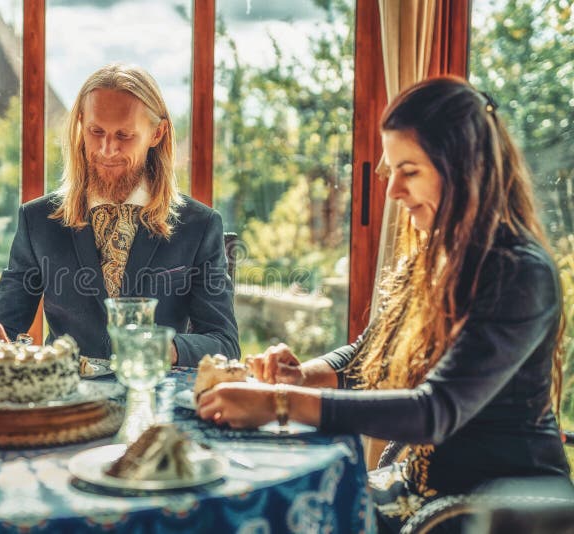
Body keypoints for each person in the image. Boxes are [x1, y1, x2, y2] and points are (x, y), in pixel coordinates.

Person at [196, 76, 571, 530]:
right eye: (390, 171)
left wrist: (281, 402)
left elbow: (434, 411)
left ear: (465, 168)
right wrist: (301, 376)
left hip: (486, 508)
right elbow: (367, 354)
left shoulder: (517, 272)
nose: (392, 191)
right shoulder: (434, 255)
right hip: (417, 491)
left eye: (409, 171)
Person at [0, 63, 240, 366]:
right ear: (81, 125)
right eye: (96, 132)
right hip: (68, 402)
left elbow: (224, 344)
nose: (107, 149)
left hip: (155, 402)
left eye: (124, 135)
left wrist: (167, 348)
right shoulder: (37, 220)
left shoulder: (200, 226)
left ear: (156, 133)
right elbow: (2, 328)